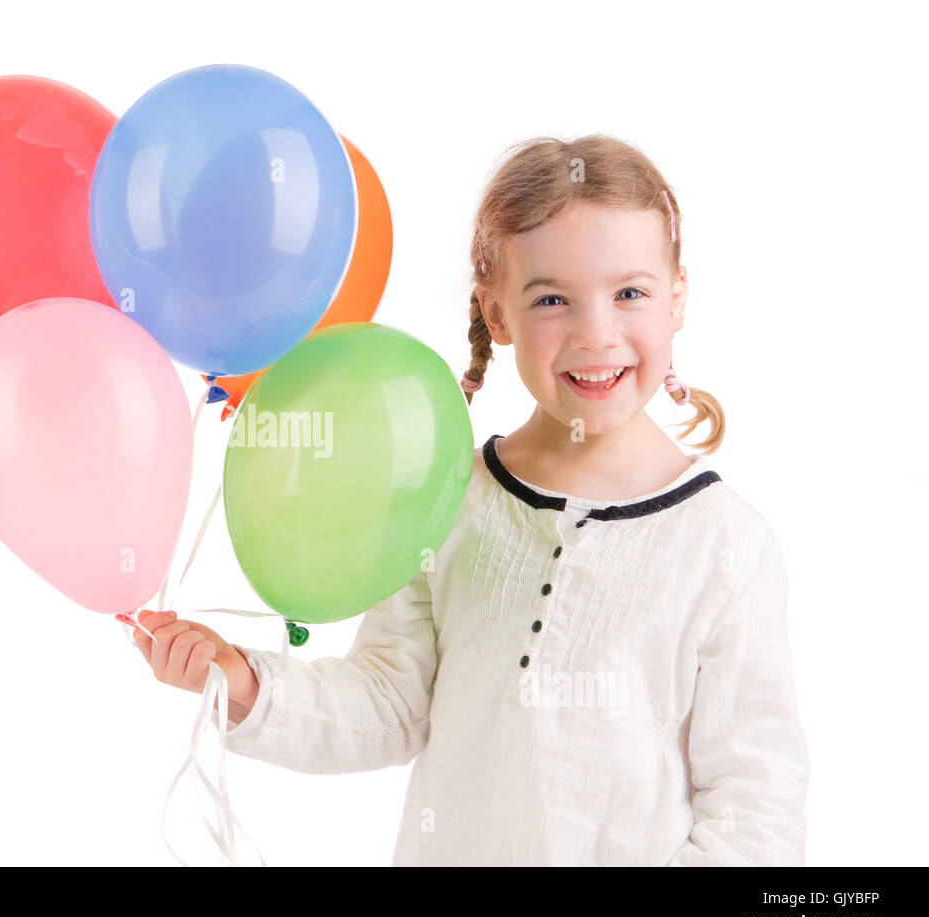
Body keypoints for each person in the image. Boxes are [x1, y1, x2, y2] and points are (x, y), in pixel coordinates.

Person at [133, 135, 809, 866]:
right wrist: (243, 682)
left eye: (630, 293)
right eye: (552, 298)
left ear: (677, 299)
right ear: (497, 315)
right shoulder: (449, 500)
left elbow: (754, 812)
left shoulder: (726, 544)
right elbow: (389, 702)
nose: (595, 333)